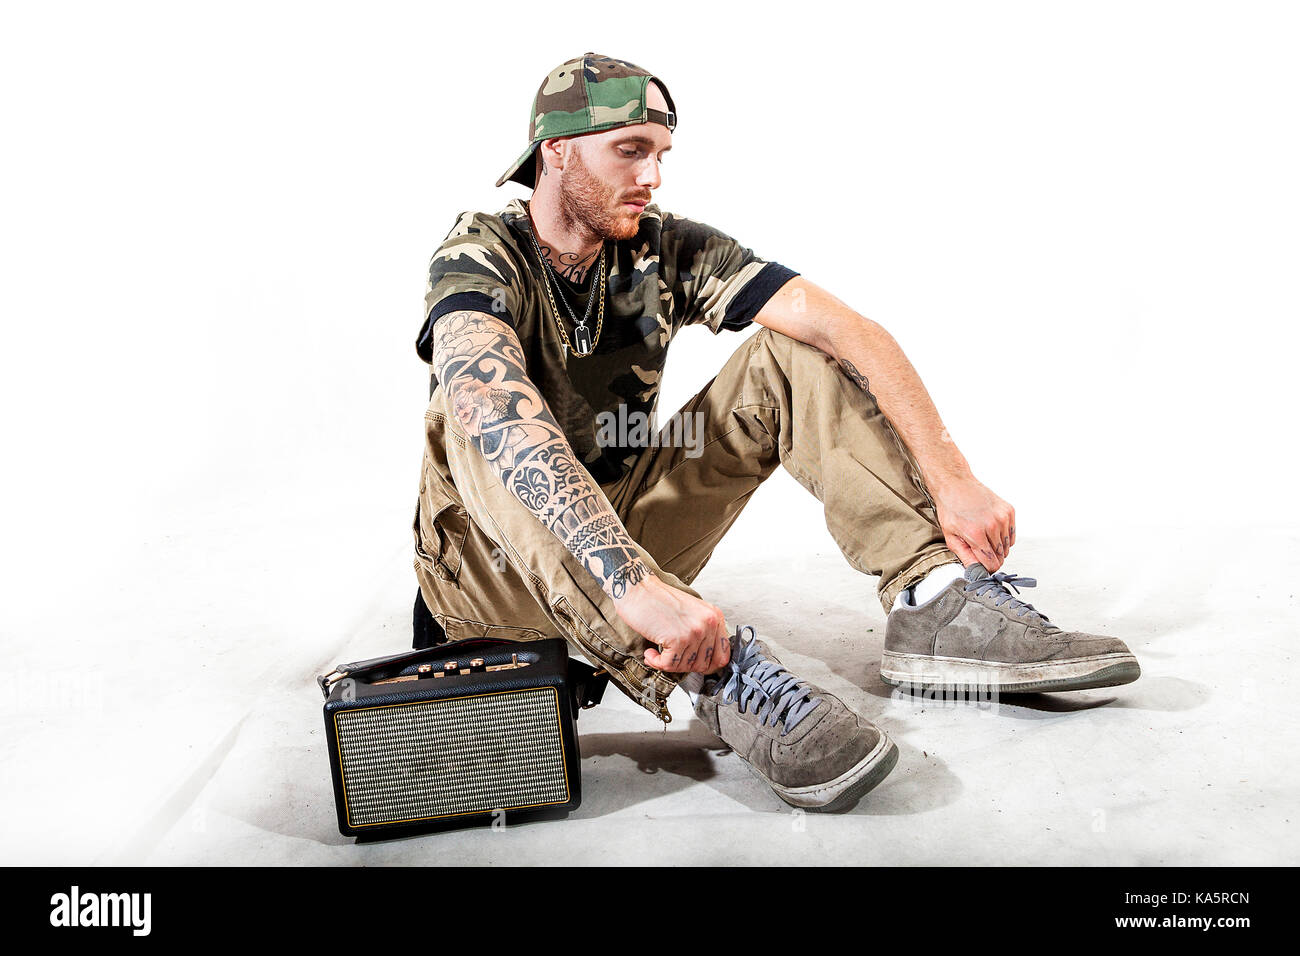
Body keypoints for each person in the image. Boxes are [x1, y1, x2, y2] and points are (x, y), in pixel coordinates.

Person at [410, 52, 1140, 813]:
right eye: (629, 150)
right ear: (555, 152)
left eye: (660, 155)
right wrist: (630, 581)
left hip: (622, 523)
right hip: (495, 579)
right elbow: (484, 405)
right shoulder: (481, 251)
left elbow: (848, 329)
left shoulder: (662, 246)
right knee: (480, 407)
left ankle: (933, 600)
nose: (652, 176)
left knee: (791, 351)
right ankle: (714, 674)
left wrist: (953, 481)